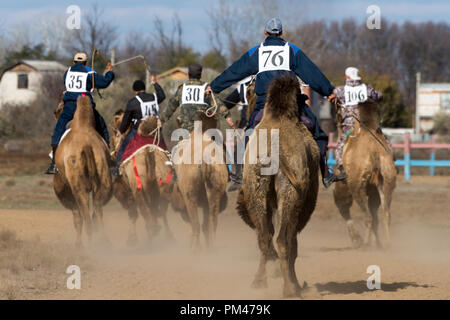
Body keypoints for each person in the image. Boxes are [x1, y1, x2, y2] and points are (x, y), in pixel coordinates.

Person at [208, 17, 346, 188]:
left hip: (265, 103)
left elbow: (234, 71)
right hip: (292, 102)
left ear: (265, 32)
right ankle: (325, 174)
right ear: (281, 33)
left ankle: (240, 174)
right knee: (318, 133)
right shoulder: (292, 50)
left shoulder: (256, 51)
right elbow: (312, 73)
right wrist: (328, 91)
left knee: (249, 133)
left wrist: (214, 86)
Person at [45, 52, 114, 174]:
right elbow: (104, 82)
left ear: (74, 62)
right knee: (102, 126)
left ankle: (54, 164)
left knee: (58, 129)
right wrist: (110, 72)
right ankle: (108, 157)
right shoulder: (89, 71)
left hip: (69, 107)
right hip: (85, 106)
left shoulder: (68, 72)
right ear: (86, 62)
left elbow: (66, 82)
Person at [332, 67, 383, 175]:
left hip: (349, 124)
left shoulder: (340, 90)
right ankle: (390, 158)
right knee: (382, 140)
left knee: (340, 145)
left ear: (347, 77)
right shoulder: (367, 89)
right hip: (367, 124)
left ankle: (341, 167)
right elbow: (379, 96)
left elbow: (330, 96)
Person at [112, 76, 166, 176]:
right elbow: (162, 95)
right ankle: (172, 170)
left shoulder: (133, 102)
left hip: (138, 131)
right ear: (144, 89)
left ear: (135, 91)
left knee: (123, 147)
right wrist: (155, 83)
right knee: (164, 148)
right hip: (154, 131)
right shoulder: (154, 97)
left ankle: (117, 169)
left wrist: (121, 130)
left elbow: (126, 120)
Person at [161, 63, 234, 132]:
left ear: (188, 75)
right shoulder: (206, 88)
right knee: (218, 144)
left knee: (181, 144)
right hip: (203, 131)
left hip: (185, 131)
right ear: (201, 75)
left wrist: (161, 120)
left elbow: (171, 107)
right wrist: (227, 116)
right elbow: (217, 104)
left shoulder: (181, 89)